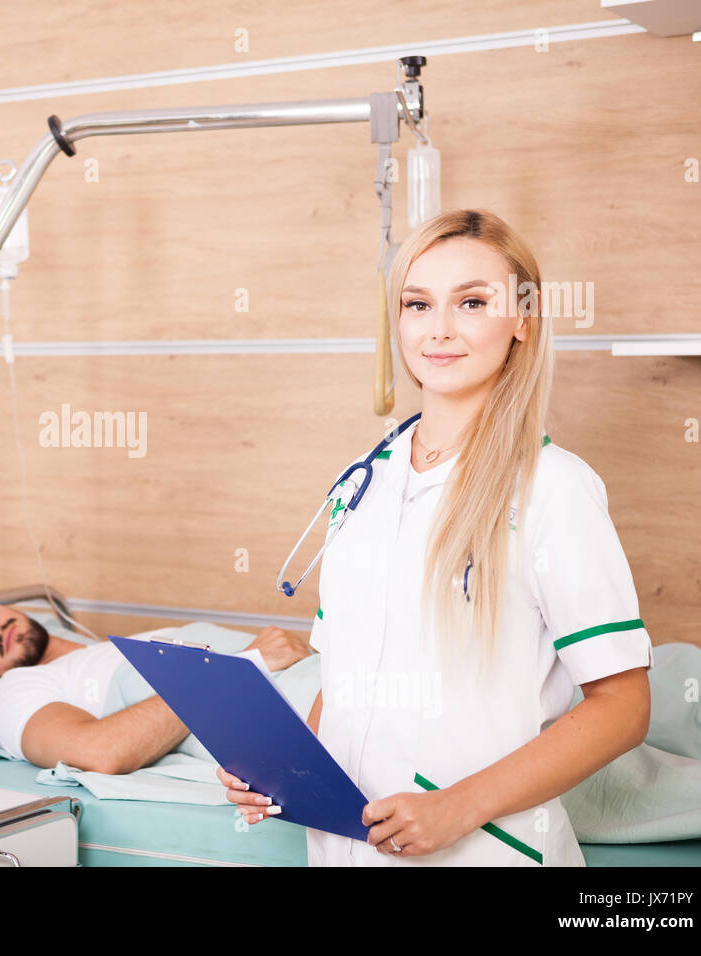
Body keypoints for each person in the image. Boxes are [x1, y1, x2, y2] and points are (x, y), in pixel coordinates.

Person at [219, 208, 653, 866]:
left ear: (522, 321)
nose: (439, 329)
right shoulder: (362, 485)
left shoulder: (552, 489)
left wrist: (461, 804)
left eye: (472, 302)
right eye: (417, 304)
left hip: (484, 852)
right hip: (345, 847)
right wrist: (287, 775)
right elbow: (343, 679)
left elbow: (623, 704)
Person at [0, 593, 310, 774]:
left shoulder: (97, 651)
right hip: (297, 708)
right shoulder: (17, 690)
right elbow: (102, 752)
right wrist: (245, 665)